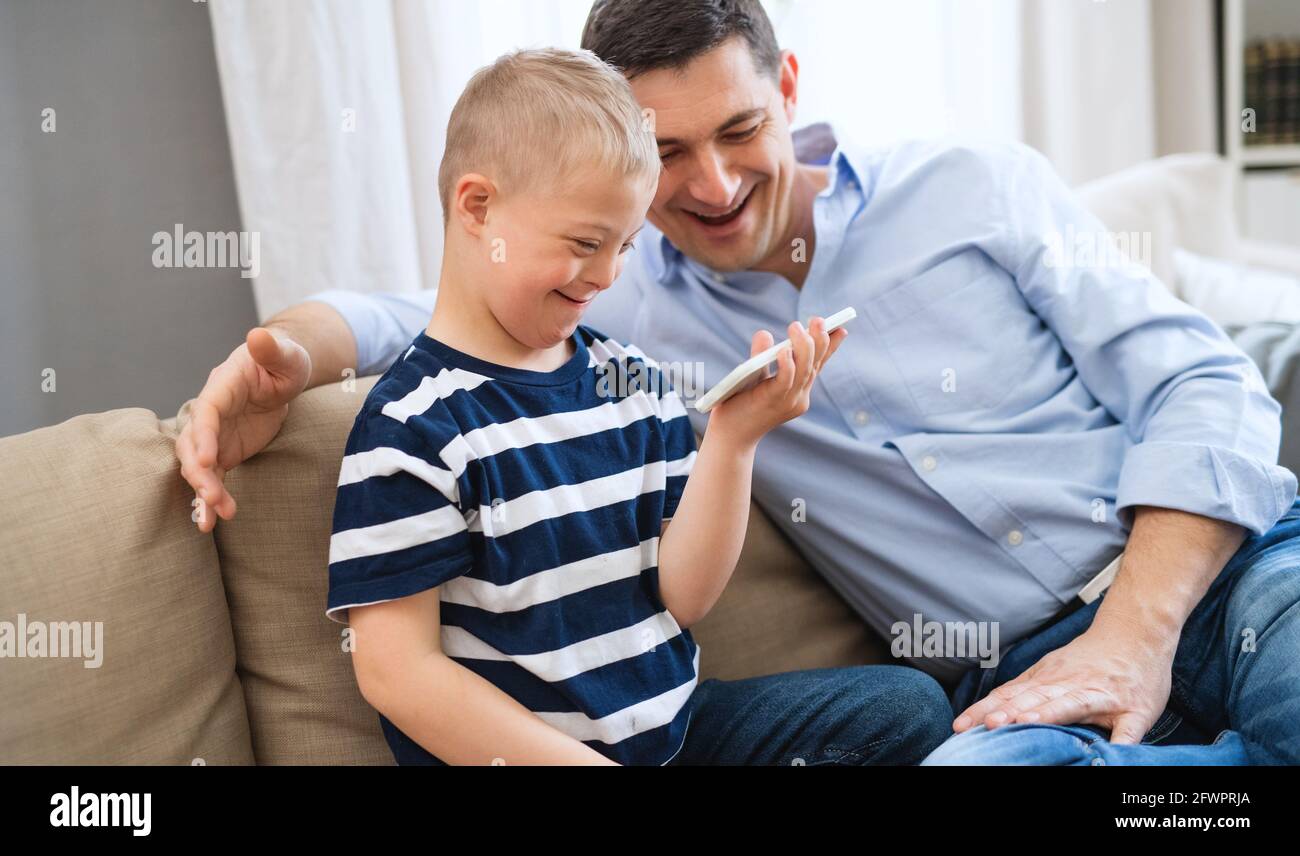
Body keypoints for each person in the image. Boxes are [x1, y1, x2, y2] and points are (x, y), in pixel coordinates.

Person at [178, 0, 1300, 764]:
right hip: (1010, 680)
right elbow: (417, 315)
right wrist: (278, 356)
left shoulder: (975, 187)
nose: (711, 186)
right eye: (663, 154)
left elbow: (1207, 384)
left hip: (1231, 566)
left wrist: (1135, 633)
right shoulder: (620, 304)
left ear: (789, 87)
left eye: (739, 128)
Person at [320, 46, 949, 766]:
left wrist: (734, 440)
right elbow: (397, 673)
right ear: (478, 207)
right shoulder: (412, 427)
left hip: (677, 740)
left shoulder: (635, 382)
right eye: (587, 243)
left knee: (905, 709)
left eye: (626, 244)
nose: (609, 275)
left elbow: (682, 598)